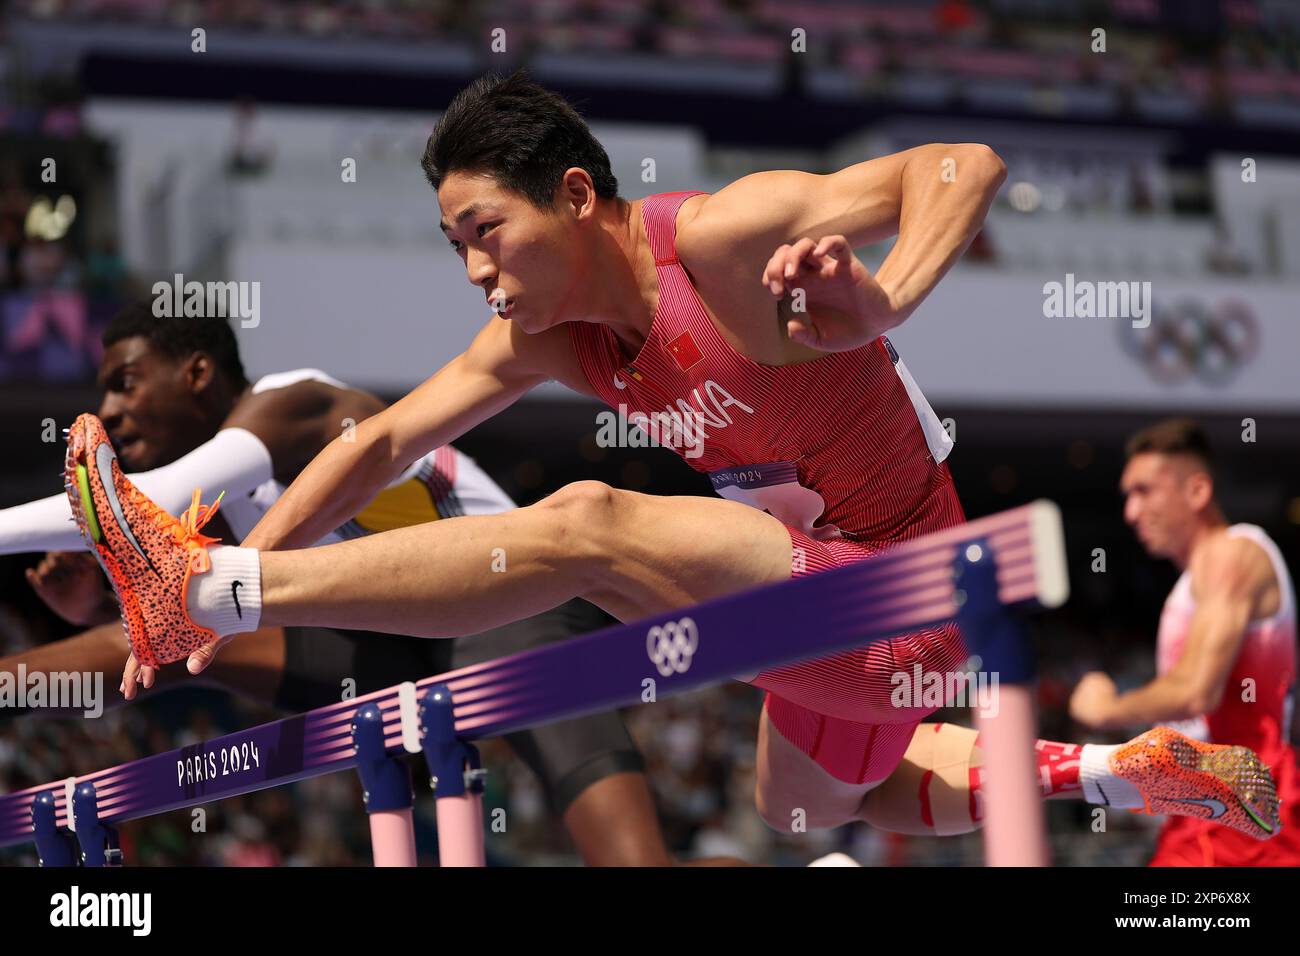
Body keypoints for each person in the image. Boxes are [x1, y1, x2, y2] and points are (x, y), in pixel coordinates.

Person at [71, 72, 1280, 843]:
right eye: (454, 249)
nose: (478, 273)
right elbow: (382, 434)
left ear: (577, 195)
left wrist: (887, 302)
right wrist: (241, 552)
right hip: (826, 623)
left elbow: (960, 164)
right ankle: (1124, 769)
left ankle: (201, 589)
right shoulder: (549, 340)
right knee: (809, 810)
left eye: (486, 233)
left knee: (592, 517)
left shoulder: (716, 240)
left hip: (911, 589)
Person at [1, 301, 738, 867]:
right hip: (392, 641)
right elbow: (186, 591)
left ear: (197, 373)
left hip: (509, 603)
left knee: (631, 859)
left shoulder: (293, 403)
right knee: (171, 639)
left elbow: (155, 495)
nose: (112, 412)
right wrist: (101, 599)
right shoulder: (222, 514)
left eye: (125, 384)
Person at [1069, 418, 1299, 865]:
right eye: (1127, 496)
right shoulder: (1191, 584)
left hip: (1246, 809)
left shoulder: (1234, 552)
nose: (1130, 512)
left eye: (1144, 491)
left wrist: (1108, 708)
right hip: (1208, 808)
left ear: (1197, 491)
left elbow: (1196, 690)